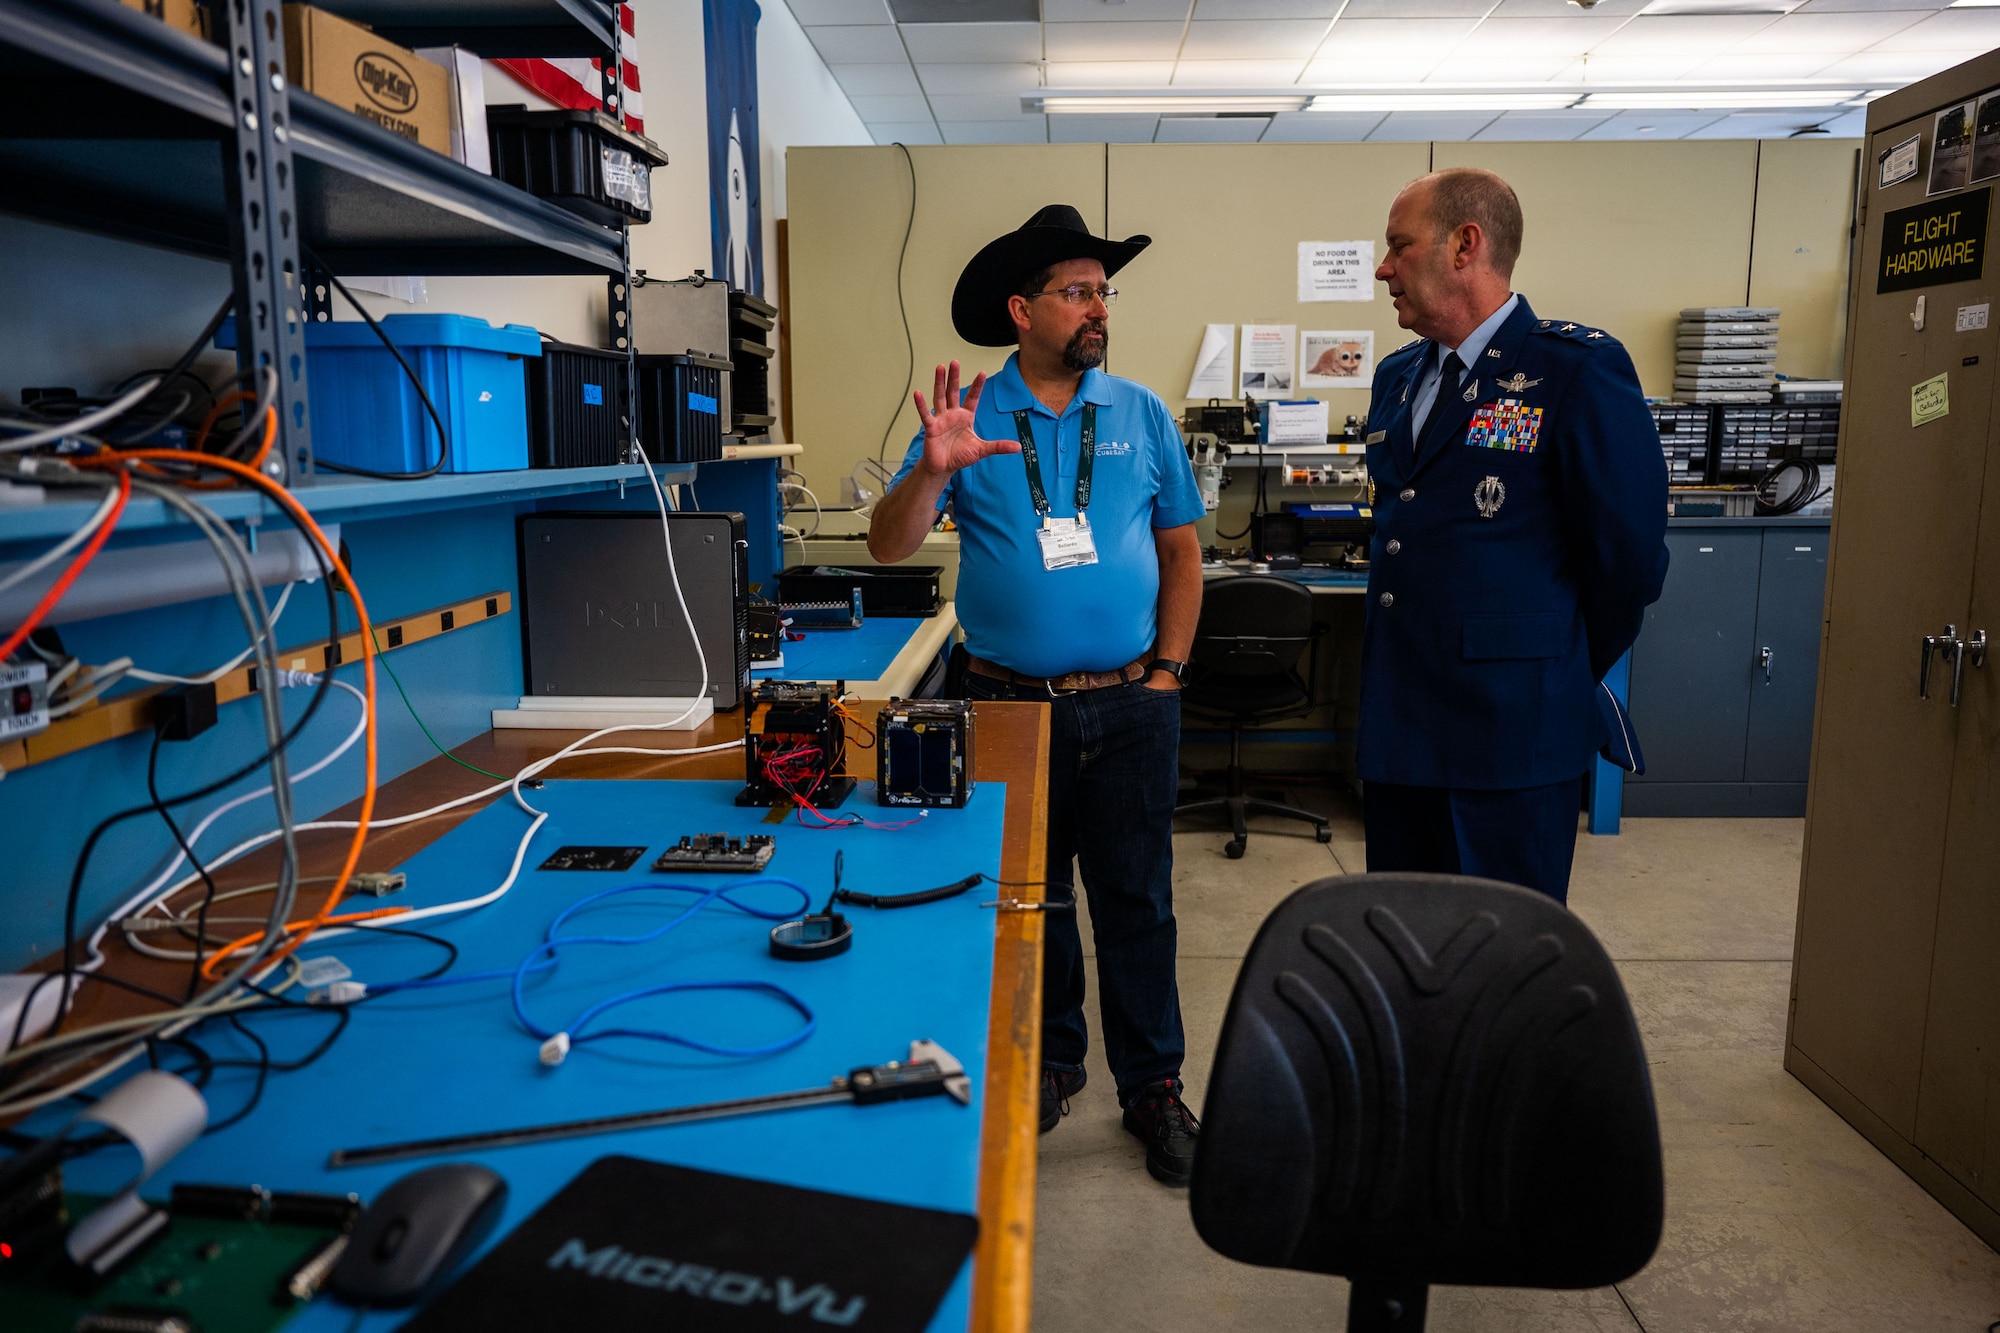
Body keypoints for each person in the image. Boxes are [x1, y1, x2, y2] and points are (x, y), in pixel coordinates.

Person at [867, 204, 1206, 1185]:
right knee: (1032, 898)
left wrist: (1166, 674)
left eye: (1104, 290)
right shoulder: (967, 415)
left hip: (1131, 704)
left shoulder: (1139, 412)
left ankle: (1153, 1085)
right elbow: (890, 544)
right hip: (1005, 703)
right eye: (1077, 290)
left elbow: (1183, 552)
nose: (1098, 307)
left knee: (1137, 901)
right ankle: (1052, 1066)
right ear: (1022, 309)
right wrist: (929, 471)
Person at [1358, 167, 1669, 904]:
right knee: (1404, 960)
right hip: (1402, 734)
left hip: (1511, 741)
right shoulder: (1399, 377)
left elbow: (1627, 563)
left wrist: (1551, 664)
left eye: (1399, 246)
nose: (1383, 267)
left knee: (1502, 972)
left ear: (1465, 245)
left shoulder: (1575, 371)